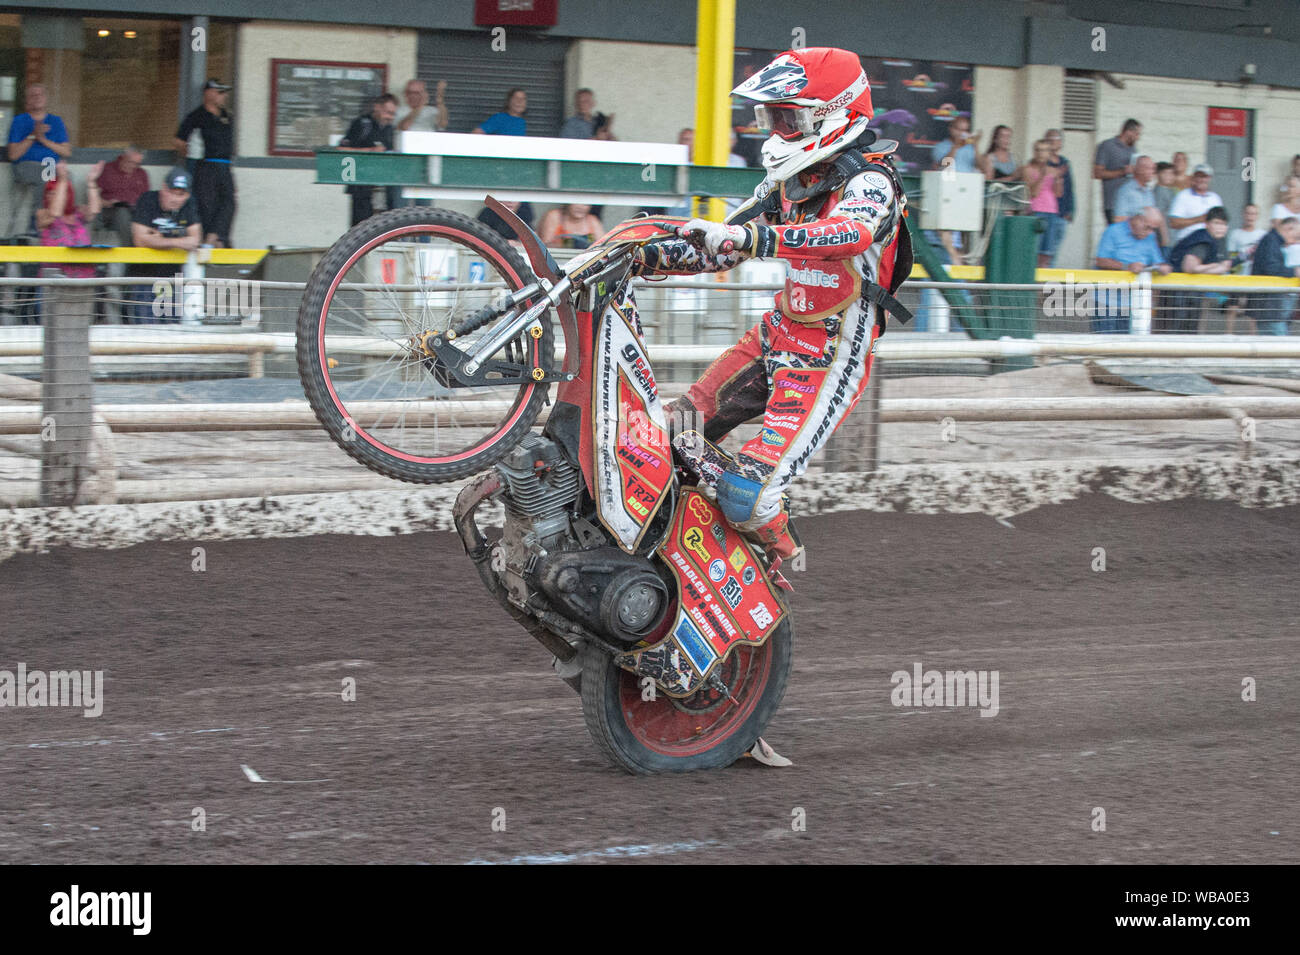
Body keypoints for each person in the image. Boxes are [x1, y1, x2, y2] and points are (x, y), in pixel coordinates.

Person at [636, 47, 911, 568]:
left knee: (748, 495)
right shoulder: (789, 181)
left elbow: (848, 234)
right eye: (774, 117)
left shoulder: (872, 182)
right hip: (772, 337)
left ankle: (773, 564)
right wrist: (643, 256)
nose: (781, 129)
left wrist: (752, 239)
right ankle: (666, 547)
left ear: (834, 113)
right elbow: (719, 245)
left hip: (829, 358)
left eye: (791, 116)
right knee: (665, 436)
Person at [129, 167, 202, 323]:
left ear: (187, 195)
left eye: (181, 194)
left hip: (173, 279)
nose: (175, 198)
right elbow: (139, 240)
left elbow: (195, 240)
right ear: (163, 188)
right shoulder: (148, 199)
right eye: (172, 192)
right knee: (144, 332)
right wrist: (178, 239)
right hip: (144, 279)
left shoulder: (189, 205)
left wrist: (158, 238)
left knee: (171, 334)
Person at [174, 78, 236, 247]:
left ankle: (217, 238)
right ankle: (207, 241)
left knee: (229, 202)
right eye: (219, 92)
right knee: (206, 205)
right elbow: (180, 141)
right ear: (208, 93)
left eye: (224, 93)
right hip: (206, 166)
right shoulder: (196, 116)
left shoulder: (226, 116)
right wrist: (192, 160)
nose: (223, 96)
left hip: (224, 165)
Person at [6, 84, 71, 240]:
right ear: (27, 101)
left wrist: (44, 140)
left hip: (51, 165)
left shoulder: (55, 121)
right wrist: (33, 136)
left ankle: (62, 226)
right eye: (32, 95)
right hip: (25, 166)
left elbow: (66, 152)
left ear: (46, 98)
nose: (37, 97)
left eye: (40, 94)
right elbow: (13, 155)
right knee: (45, 176)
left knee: (67, 179)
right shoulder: (19, 121)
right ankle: (36, 224)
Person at [1092, 207, 1171, 333]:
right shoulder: (1113, 231)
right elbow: (1101, 260)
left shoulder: (1150, 237)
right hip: (1106, 300)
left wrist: (1163, 267)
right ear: (1137, 219)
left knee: (1126, 345)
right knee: (1103, 342)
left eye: (1153, 229)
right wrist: (1127, 267)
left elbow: (1157, 261)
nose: (1150, 232)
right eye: (1148, 227)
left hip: (1133, 302)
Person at [1161, 205, 1232, 334]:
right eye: (1216, 223)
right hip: (1177, 291)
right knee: (1176, 332)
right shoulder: (1202, 240)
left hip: (1193, 292)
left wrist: (1217, 268)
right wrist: (1214, 267)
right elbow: (1189, 267)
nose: (1220, 227)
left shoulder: (1219, 239)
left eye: (1223, 224)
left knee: (1191, 331)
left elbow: (1226, 265)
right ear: (1207, 224)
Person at [337, 94, 401, 226]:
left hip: (383, 184)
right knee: (360, 227)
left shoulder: (389, 129)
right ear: (377, 107)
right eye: (387, 112)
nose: (390, 117)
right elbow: (342, 149)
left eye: (393, 114)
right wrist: (370, 150)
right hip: (361, 183)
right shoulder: (362, 124)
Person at [37, 161, 104, 280]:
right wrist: (63, 180)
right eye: (49, 193)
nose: (51, 196)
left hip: (84, 277)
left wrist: (91, 182)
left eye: (56, 193)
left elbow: (95, 210)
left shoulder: (78, 213)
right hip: (55, 279)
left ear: (68, 194)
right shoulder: (43, 214)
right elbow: (55, 213)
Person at [930, 115, 979, 263]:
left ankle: (962, 269)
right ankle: (954, 263)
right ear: (951, 129)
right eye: (959, 130)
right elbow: (945, 164)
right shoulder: (941, 147)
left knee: (964, 239)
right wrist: (956, 147)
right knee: (947, 236)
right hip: (947, 197)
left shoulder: (970, 148)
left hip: (966, 196)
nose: (962, 133)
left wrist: (976, 146)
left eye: (966, 130)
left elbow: (983, 167)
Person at [1247, 217, 1299, 336]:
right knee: (1277, 342)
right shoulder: (1271, 241)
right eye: (1296, 237)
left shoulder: (1273, 241)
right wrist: (1294, 272)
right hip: (1269, 307)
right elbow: (1271, 268)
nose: (1294, 242)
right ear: (1288, 229)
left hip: (1271, 307)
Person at [1225, 203, 1269, 333]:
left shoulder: (1263, 235)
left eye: (1254, 213)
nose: (1250, 216)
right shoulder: (1235, 234)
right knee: (1232, 306)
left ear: (1257, 216)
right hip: (1238, 275)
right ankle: (1228, 335)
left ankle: (1252, 337)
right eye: (1248, 213)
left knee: (1253, 310)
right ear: (1243, 215)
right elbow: (1231, 256)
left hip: (1255, 275)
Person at [94, 146, 149, 246]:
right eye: (131, 162)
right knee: (122, 212)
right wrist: (107, 203)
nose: (134, 166)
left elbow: (146, 199)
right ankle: (130, 254)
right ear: (123, 157)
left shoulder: (142, 173)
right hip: (110, 211)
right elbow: (94, 197)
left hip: (135, 211)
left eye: (137, 164)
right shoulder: (107, 169)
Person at [1023, 139, 1064, 268]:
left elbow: (1058, 194)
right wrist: (1042, 175)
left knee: (1047, 253)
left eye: (1045, 150)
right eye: (1038, 150)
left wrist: (1058, 179)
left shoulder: (1053, 170)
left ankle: (1041, 287)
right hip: (1036, 210)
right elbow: (1032, 193)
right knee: (1034, 251)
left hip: (1052, 211)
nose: (1041, 154)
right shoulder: (1028, 169)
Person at [1093, 118, 1141, 223]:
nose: (1138, 138)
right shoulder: (1107, 146)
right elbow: (1097, 173)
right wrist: (1122, 172)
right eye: (1137, 134)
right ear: (1128, 131)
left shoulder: (1133, 149)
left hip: (1130, 202)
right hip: (1113, 203)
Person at [1167, 164, 1225, 242]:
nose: (1202, 180)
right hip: (1187, 241)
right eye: (1199, 176)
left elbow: (1221, 223)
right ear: (1193, 178)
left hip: (1210, 242)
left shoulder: (1215, 198)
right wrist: (1199, 219)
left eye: (1205, 177)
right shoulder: (1183, 195)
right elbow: (1173, 223)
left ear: (1209, 179)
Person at [1044, 128, 1075, 238]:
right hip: (1045, 212)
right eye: (1049, 138)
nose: (1052, 141)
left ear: (1061, 142)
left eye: (1056, 138)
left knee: (1054, 252)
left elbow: (1069, 189)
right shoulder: (1041, 162)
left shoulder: (1065, 162)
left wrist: (1070, 211)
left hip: (1061, 214)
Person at [538, 203, 603, 249]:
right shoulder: (555, 216)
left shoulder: (592, 220)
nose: (580, 207)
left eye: (585, 204)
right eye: (576, 202)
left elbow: (602, 246)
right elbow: (545, 247)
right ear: (568, 203)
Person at [1113, 155, 1157, 222]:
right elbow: (1118, 219)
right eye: (1149, 168)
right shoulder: (1125, 191)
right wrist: (1140, 220)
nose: (1153, 172)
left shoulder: (1149, 191)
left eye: (1153, 168)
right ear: (1140, 170)